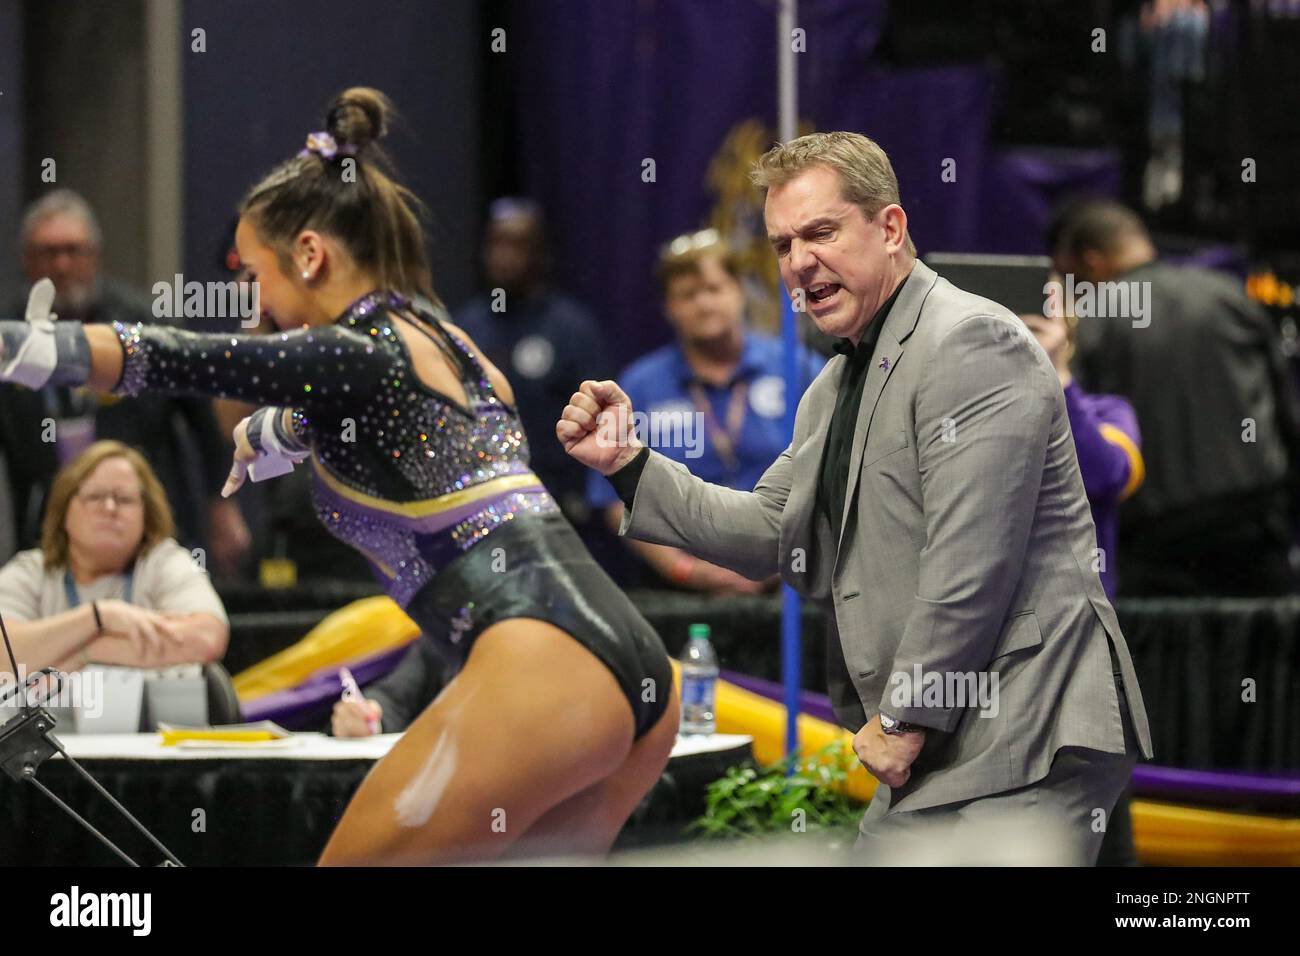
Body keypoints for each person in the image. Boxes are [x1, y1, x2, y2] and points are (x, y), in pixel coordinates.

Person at [0, 88, 678, 865]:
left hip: (544, 663)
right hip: (634, 663)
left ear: (311, 255)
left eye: (251, 273)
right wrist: (284, 429)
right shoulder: (447, 341)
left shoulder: (354, 350)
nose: (251, 302)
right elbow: (433, 432)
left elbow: (178, 355)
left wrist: (32, 346)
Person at [559, 131, 1154, 865]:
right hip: (949, 743)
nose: (799, 262)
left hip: (1025, 733)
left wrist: (903, 719)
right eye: (782, 244)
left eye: (821, 232)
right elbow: (768, 528)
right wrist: (630, 465)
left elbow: (972, 561)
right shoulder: (835, 383)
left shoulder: (972, 341)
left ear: (891, 228)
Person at [1051, 198, 1300, 597]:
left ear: (1092, 261)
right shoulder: (1228, 294)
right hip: (1254, 536)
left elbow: (1083, 445)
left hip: (1155, 556)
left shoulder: (1092, 320)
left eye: (1067, 275)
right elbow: (1288, 415)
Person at [0, 190, 251, 574]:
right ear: (26, 260)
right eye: (48, 253)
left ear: (94, 256)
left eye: (73, 250)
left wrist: (222, 505)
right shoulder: (8, 338)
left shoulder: (143, 325)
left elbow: (203, 417)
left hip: (146, 521)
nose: (62, 265)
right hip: (45, 527)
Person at [587, 228, 824, 593]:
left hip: (791, 590)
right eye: (688, 295)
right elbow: (615, 499)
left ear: (739, 291)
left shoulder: (800, 369)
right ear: (668, 307)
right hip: (678, 593)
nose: (704, 304)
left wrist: (776, 565)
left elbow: (831, 479)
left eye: (714, 288)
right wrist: (688, 571)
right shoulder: (640, 385)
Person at [0, 440, 228, 679]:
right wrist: (99, 616)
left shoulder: (165, 562)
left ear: (146, 514)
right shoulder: (31, 570)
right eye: (95, 496)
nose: (109, 508)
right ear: (64, 509)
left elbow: (207, 638)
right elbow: (4, 656)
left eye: (124, 499)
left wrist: (88, 653)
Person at [453, 198, 608, 529]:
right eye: (496, 243)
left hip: (556, 509)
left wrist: (578, 496)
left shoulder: (571, 329)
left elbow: (600, 421)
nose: (503, 256)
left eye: (517, 245)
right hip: (480, 506)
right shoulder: (466, 328)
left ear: (541, 253)